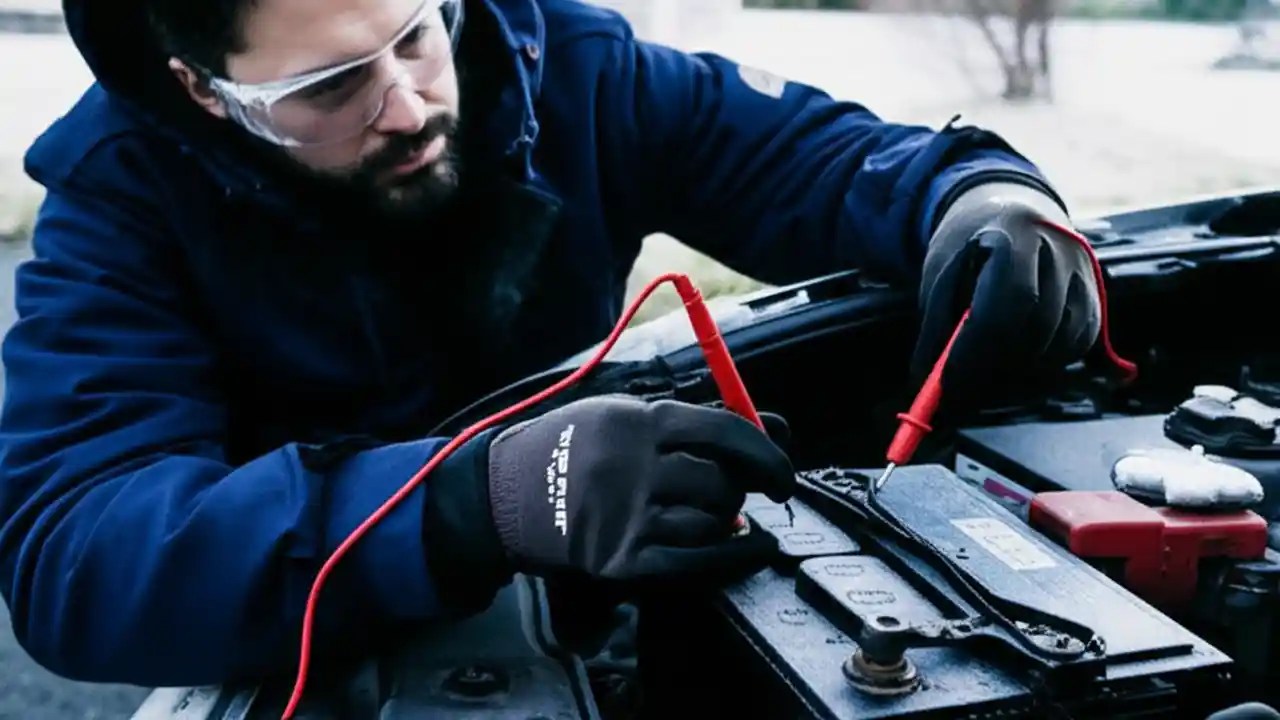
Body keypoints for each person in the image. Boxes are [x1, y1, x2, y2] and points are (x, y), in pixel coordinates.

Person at [0, 0, 1104, 690]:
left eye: (414, 37)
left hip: (600, 608)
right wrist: (467, 503)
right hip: (316, 658)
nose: (405, 106)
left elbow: (818, 160)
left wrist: (979, 197)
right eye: (331, 87)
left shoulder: (564, 60)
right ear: (204, 88)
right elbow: (76, 559)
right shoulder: (118, 196)